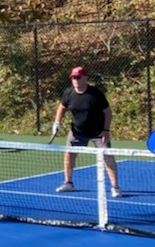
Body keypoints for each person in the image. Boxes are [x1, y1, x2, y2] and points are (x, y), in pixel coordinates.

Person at [51, 65, 122, 197]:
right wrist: (57, 122)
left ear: (85, 78)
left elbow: (107, 112)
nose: (75, 80)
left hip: (98, 133)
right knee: (69, 155)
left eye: (78, 77)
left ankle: (115, 187)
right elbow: (62, 107)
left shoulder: (95, 94)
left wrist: (106, 130)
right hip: (77, 132)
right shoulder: (69, 93)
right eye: (73, 78)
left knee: (107, 156)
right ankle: (68, 183)